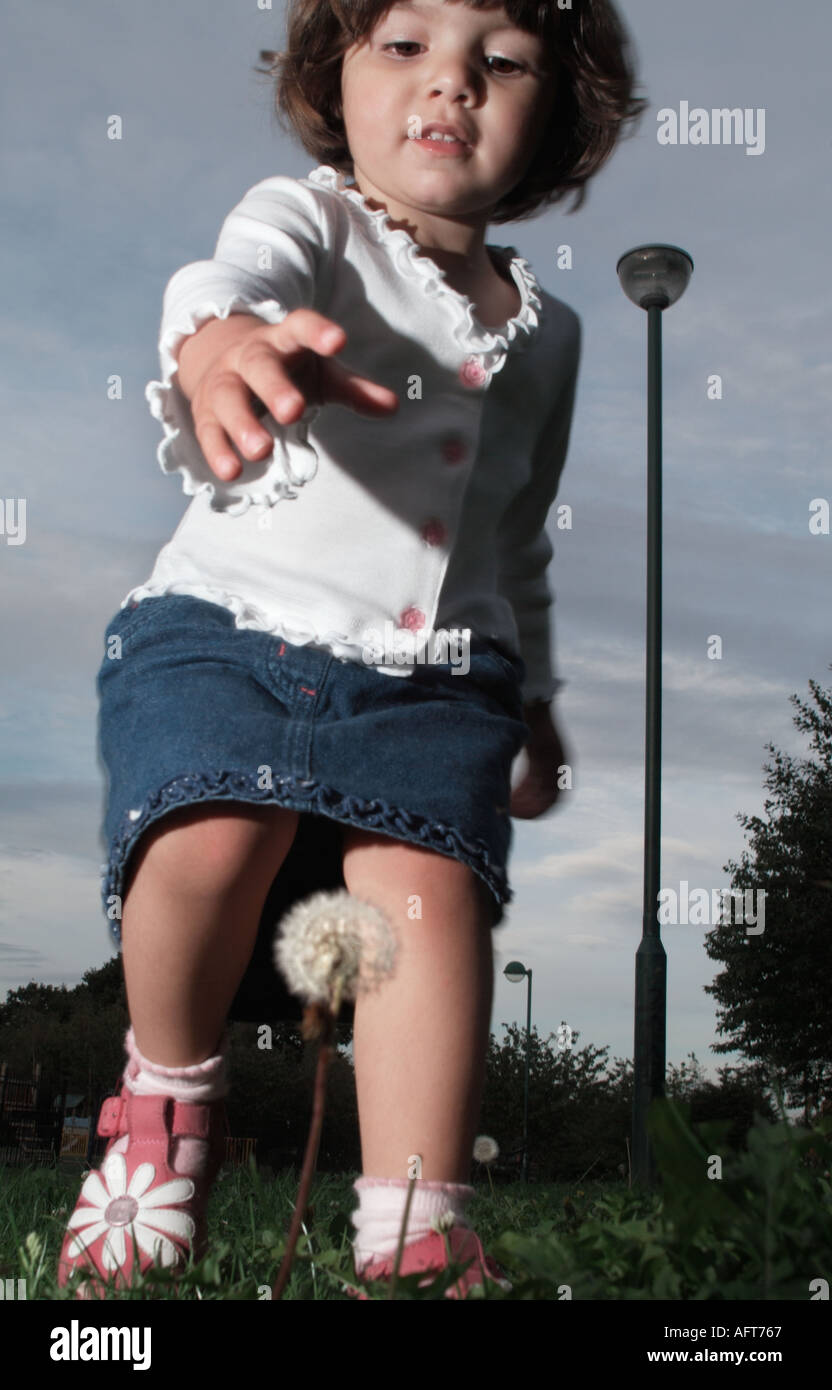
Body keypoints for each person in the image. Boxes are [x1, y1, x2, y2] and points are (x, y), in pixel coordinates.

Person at [58, 0, 646, 1299]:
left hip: (439, 671)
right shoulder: (311, 220)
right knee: (208, 835)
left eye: (501, 61)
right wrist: (226, 347)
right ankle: (164, 1099)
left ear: (557, 111)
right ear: (336, 72)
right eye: (405, 46)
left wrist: (533, 703)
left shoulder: (551, 339)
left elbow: (515, 535)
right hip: (230, 624)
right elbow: (226, 285)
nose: (451, 84)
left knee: (426, 905)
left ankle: (417, 1221)